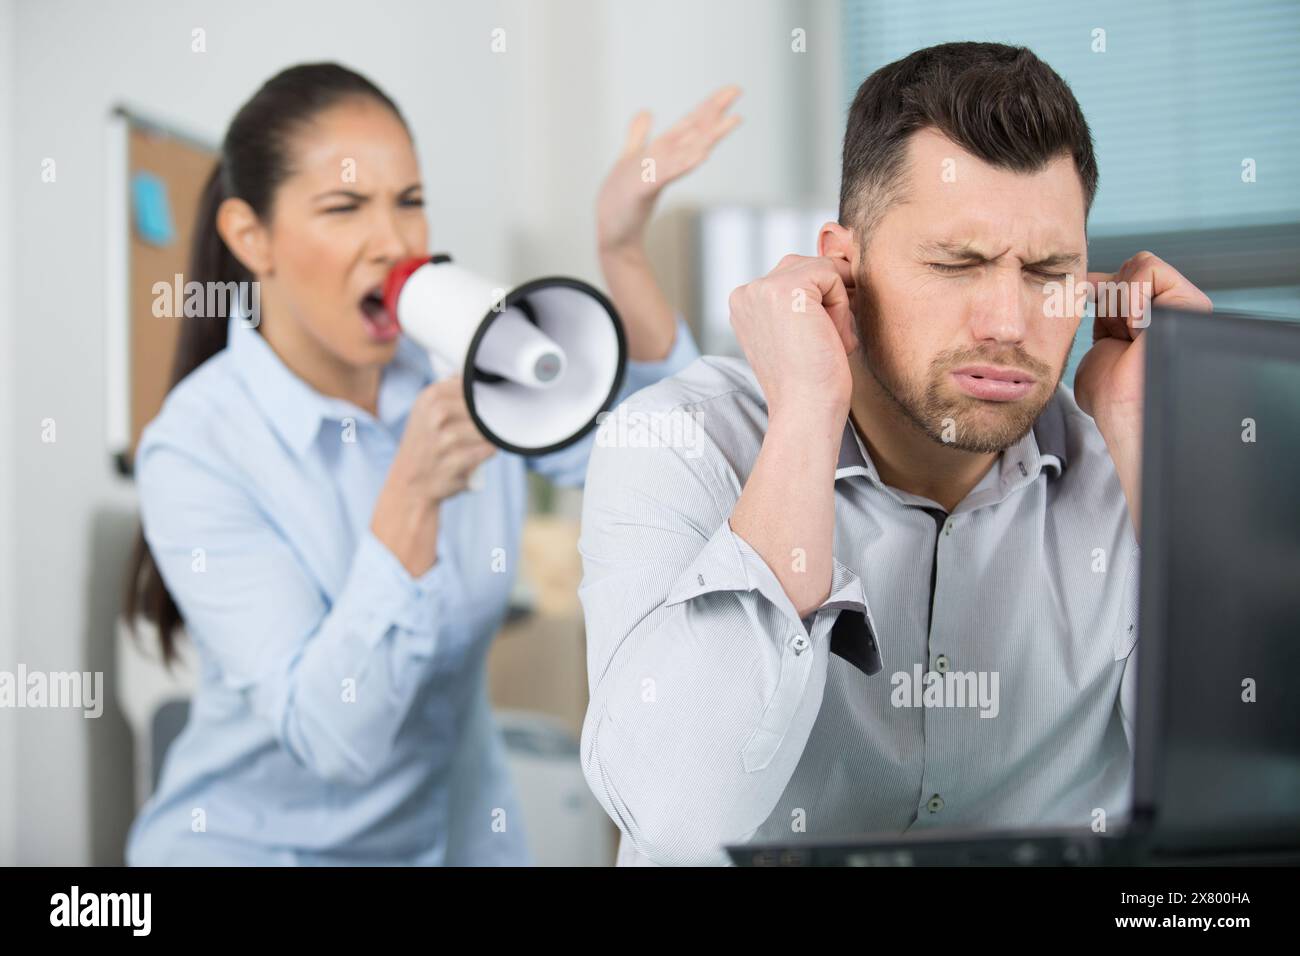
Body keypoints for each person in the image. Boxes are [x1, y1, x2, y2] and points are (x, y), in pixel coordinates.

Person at [577, 42, 1214, 866]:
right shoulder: (676, 444)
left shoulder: (1127, 462)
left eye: (1049, 271)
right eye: (958, 264)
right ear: (843, 265)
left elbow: (1245, 802)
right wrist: (807, 416)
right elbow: (678, 811)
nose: (1008, 323)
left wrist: (1180, 447)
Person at [122, 61, 739, 865]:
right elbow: (337, 740)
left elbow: (677, 465)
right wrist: (410, 500)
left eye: (409, 203)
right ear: (250, 237)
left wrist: (622, 250)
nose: (395, 243)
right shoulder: (197, 448)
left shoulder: (459, 365)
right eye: (345, 207)